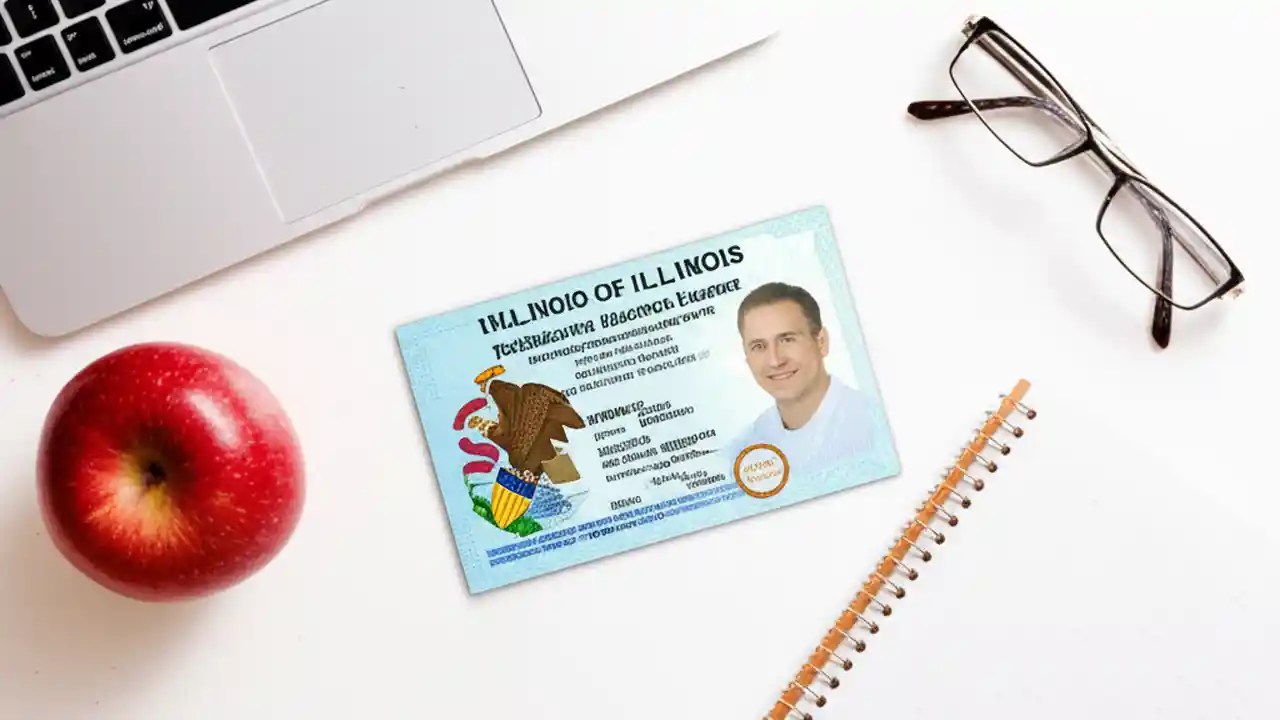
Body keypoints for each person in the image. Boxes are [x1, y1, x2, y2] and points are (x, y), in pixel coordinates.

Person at [727, 282, 875, 476]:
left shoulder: (875, 423)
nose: (775, 360)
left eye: (787, 340)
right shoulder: (748, 448)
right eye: (759, 346)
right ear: (747, 357)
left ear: (821, 342)